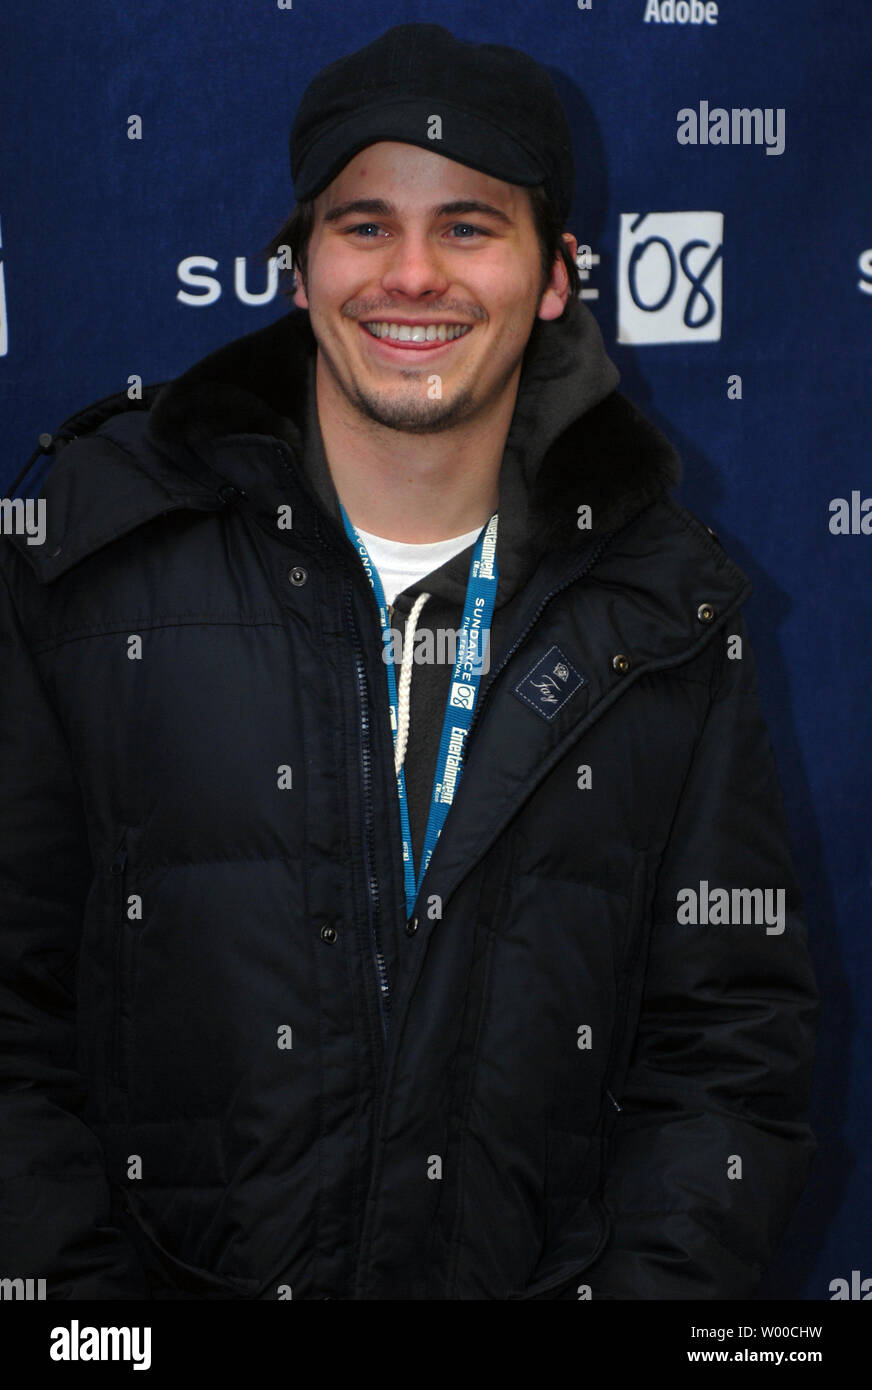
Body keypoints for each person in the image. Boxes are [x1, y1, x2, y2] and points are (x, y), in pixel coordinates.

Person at [0, 23, 818, 1300]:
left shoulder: (665, 610)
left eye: (470, 227)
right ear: (300, 268)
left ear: (552, 277)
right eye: (365, 225)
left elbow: (728, 1053)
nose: (413, 275)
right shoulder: (93, 560)